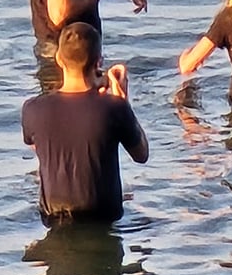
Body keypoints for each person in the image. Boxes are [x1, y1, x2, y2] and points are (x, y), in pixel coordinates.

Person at [22, 22, 149, 225]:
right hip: (102, 215)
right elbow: (141, 155)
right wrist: (123, 102)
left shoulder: (33, 108)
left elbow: (39, 149)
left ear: (59, 60)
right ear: (98, 62)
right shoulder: (114, 108)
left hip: (54, 216)